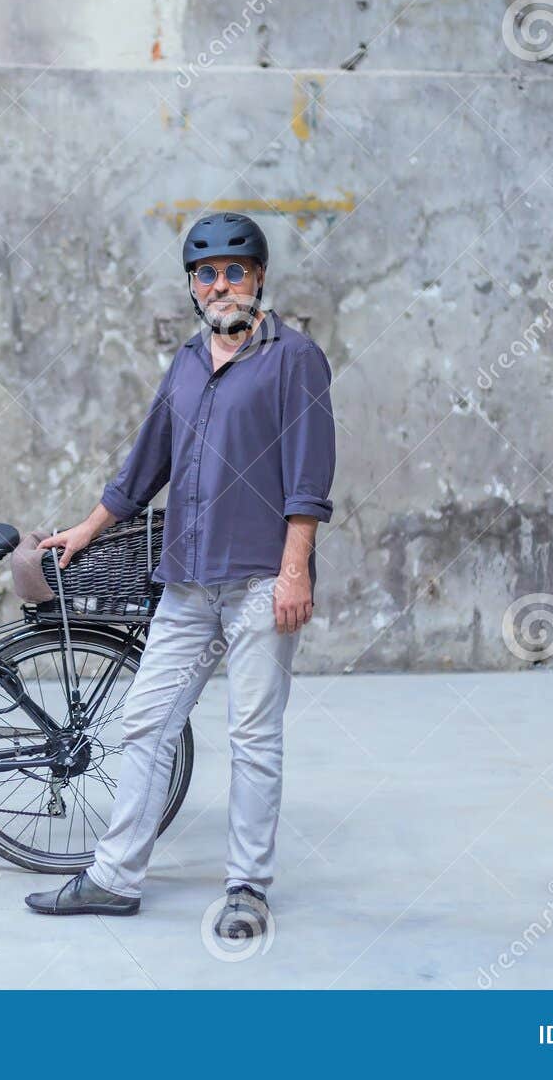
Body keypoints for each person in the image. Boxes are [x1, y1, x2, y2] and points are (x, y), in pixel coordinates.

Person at [24, 211, 336, 940]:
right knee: (145, 722)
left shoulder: (295, 358)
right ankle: (114, 875)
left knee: (253, 736)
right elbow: (143, 468)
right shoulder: (189, 363)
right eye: (207, 274)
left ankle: (247, 888)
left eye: (234, 270)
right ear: (194, 288)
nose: (221, 284)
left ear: (259, 278)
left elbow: (310, 477)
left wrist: (296, 570)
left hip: (262, 579)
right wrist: (86, 528)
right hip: (188, 580)